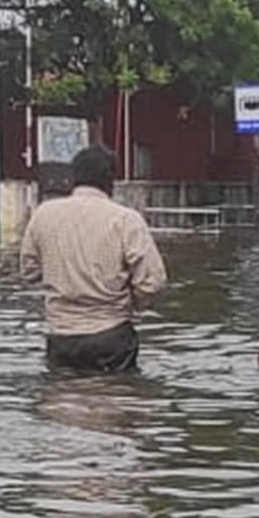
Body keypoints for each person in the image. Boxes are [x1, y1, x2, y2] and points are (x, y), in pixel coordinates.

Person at [21, 146, 167, 373]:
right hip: (111, 335)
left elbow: (29, 272)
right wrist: (135, 304)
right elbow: (152, 282)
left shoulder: (43, 215)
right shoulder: (125, 220)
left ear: (74, 177)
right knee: (115, 400)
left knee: (62, 403)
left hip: (61, 337)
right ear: (110, 180)